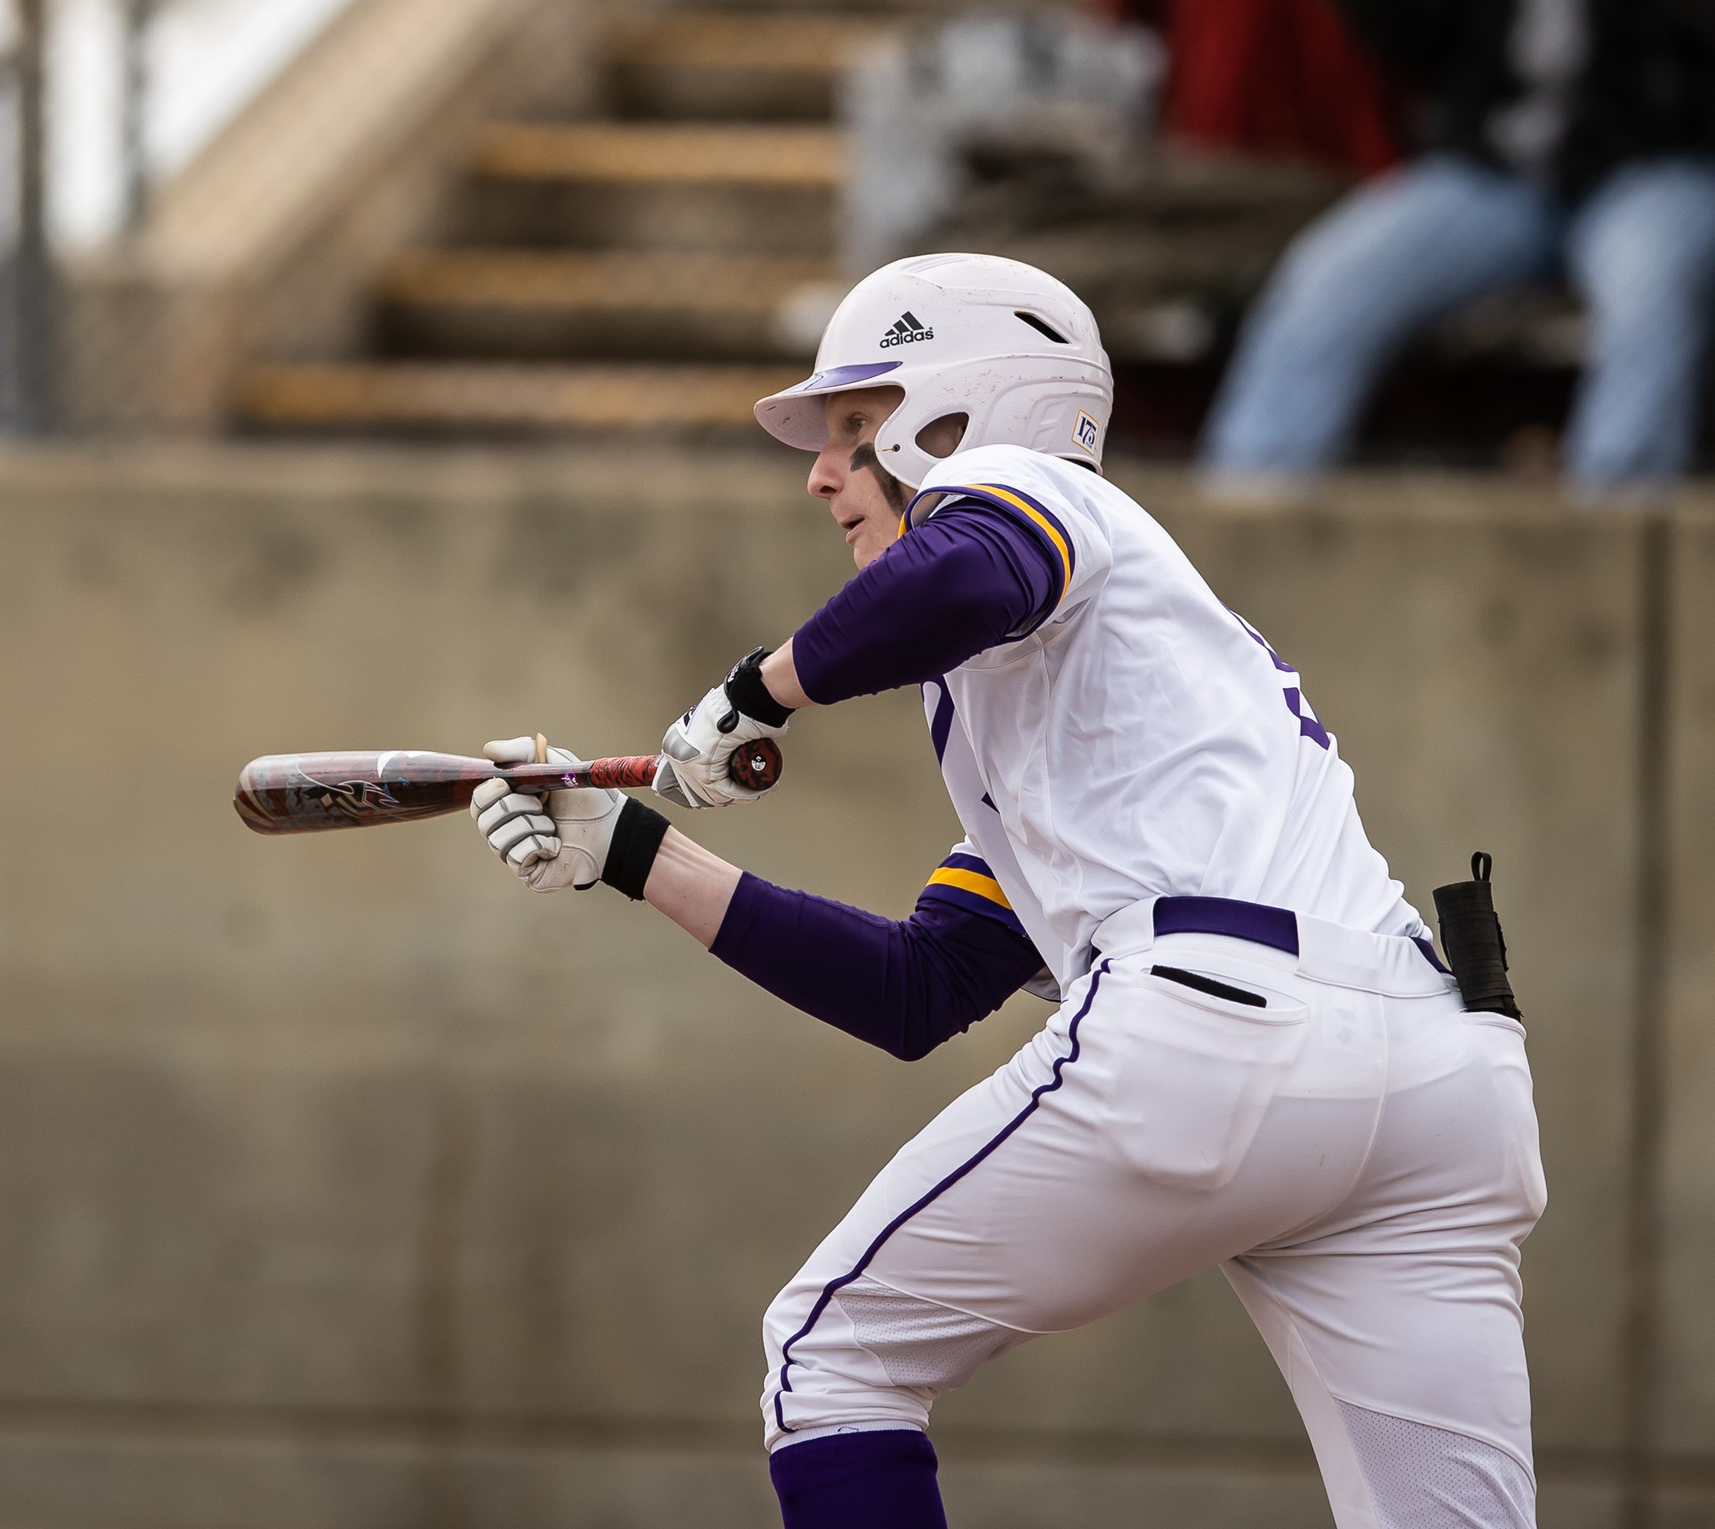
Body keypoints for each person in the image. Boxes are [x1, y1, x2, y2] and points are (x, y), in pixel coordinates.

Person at [469, 253, 1547, 1528]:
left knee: (832, 1355)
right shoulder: (1110, 692)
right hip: (1439, 1079)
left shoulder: (1032, 493)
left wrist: (759, 690)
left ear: (958, 412)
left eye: (855, 427)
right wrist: (632, 850)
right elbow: (917, 988)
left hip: (1223, 1026)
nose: (822, 473)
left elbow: (964, 572)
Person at [1201, 0, 1715, 497]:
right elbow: (1410, 40)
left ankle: (1617, 529)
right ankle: (1244, 519)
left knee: (1650, 286)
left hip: (1656, 166)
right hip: (1495, 173)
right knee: (1328, 281)